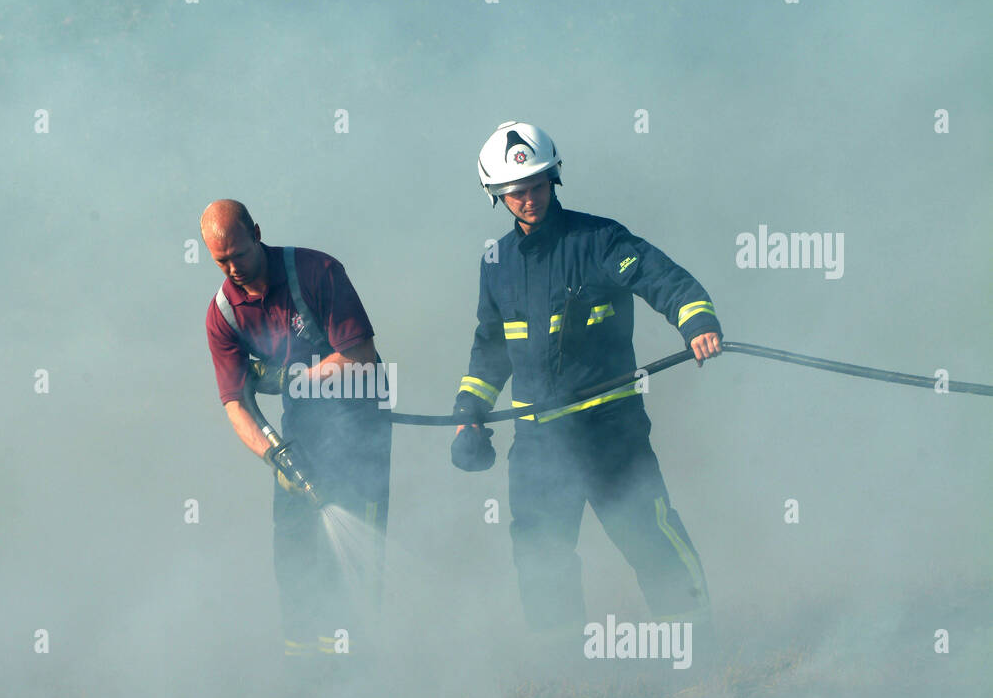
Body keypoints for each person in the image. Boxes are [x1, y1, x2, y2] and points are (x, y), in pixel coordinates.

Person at [451, 121, 721, 652]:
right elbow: (489, 347)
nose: (529, 200)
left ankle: (698, 647)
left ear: (555, 178)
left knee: (647, 532)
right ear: (496, 196)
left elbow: (663, 278)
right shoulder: (495, 264)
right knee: (539, 551)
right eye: (515, 192)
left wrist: (697, 321)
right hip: (536, 441)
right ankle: (562, 669)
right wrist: (470, 412)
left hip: (608, 428)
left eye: (537, 185)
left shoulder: (599, 240)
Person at [202, 199, 392, 659]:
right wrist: (274, 456)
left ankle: (360, 665)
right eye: (220, 261)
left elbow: (360, 355)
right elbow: (235, 404)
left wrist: (294, 377)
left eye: (239, 255)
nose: (232, 269)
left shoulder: (317, 271)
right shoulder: (223, 314)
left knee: (353, 558)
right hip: (299, 431)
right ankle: (305, 668)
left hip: (360, 423)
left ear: (258, 233)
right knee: (294, 549)